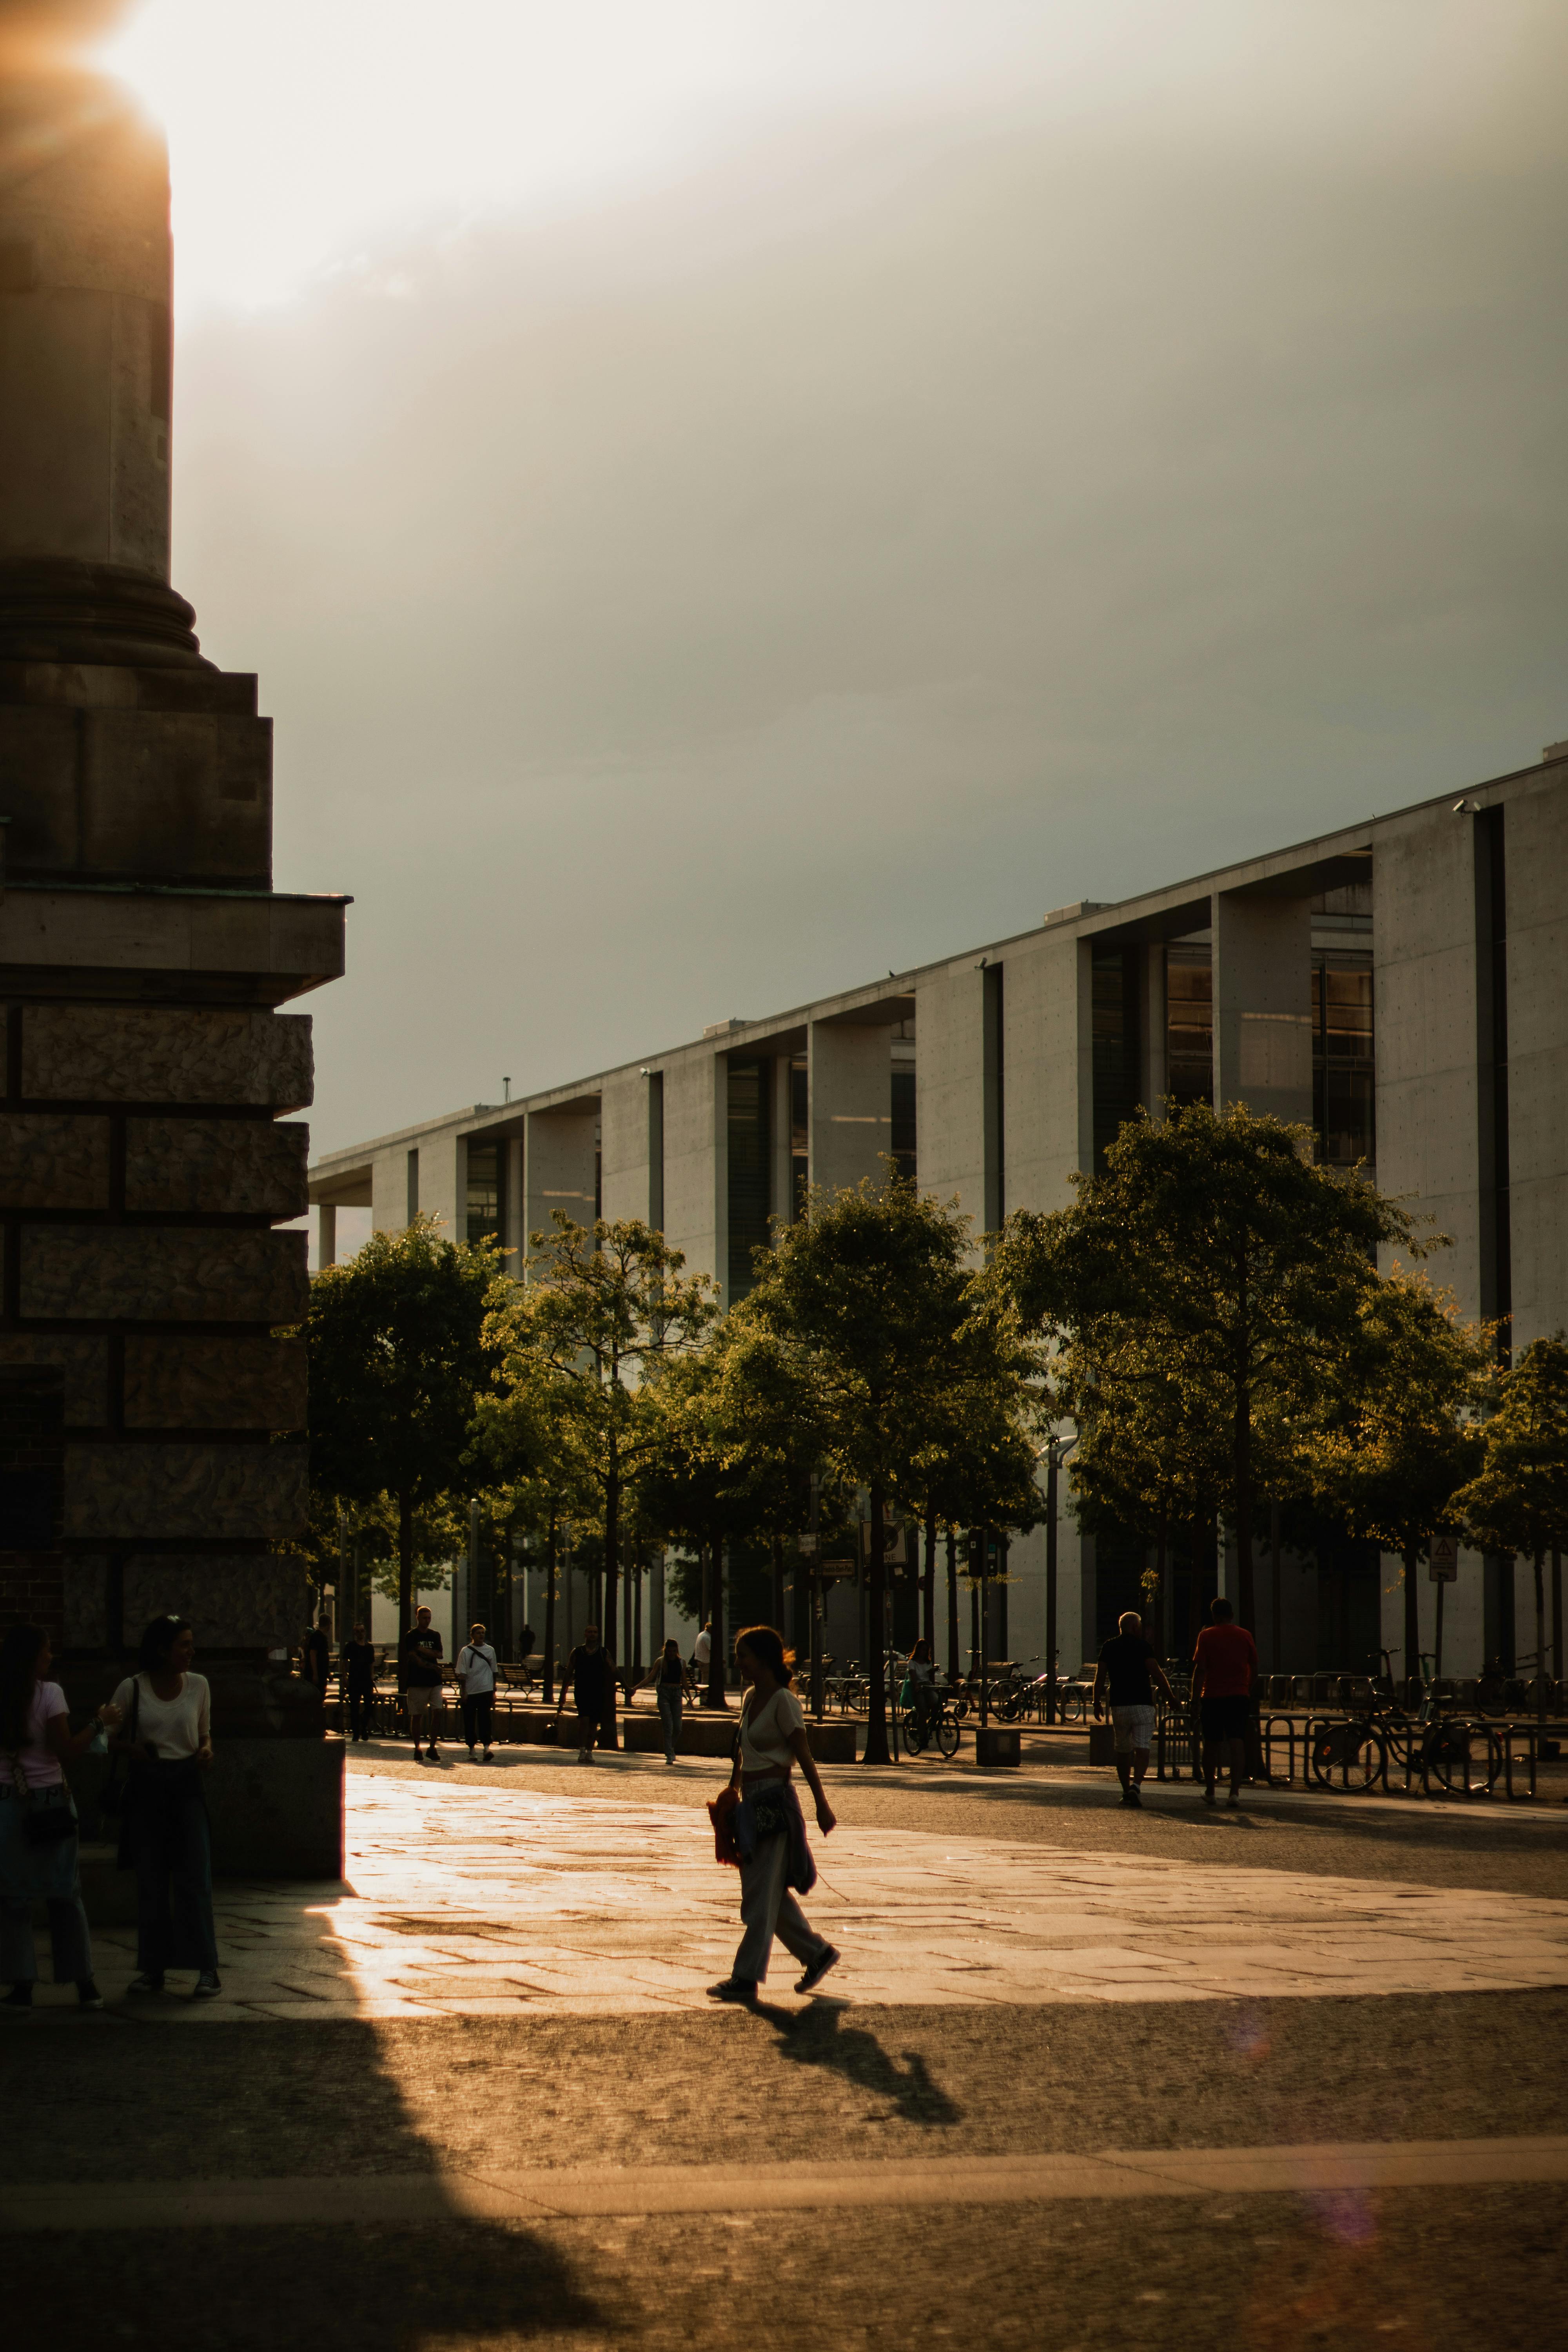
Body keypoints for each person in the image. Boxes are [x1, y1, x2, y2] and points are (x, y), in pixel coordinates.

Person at [707, 1625, 839, 2005]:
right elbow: (743, 1752)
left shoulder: (784, 1701)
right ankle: (817, 1954)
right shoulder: (750, 1697)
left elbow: (804, 1755)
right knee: (768, 1895)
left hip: (776, 1806)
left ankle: (745, 1977)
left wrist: (821, 1804)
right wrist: (731, 1792)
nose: (737, 1662)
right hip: (751, 1803)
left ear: (762, 1659)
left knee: (757, 1894)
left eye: (742, 1655)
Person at [1, 1622, 121, 2014]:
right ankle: (84, 1983)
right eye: (47, 1651)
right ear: (34, 1656)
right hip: (51, 1802)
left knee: (14, 1898)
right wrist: (99, 1722)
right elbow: (66, 1750)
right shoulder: (50, 1694)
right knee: (66, 1896)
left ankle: (22, 1987)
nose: (51, 1657)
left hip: (7, 1803)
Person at [109, 1615, 221, 1998]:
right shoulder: (132, 1689)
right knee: (152, 1883)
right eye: (184, 1645)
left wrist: (206, 1751)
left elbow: (205, 1735)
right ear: (162, 1650)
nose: (191, 1652)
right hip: (147, 1789)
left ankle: (207, 1968)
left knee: (195, 1880)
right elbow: (104, 1739)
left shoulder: (199, 1686)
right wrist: (134, 1750)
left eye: (191, 1644)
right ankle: (153, 1969)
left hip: (187, 1785)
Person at [1092, 1610, 1173, 1808]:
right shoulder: (1143, 1647)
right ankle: (1136, 1786)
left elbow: (1100, 1677)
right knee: (1142, 1747)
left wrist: (1097, 1702)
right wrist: (1171, 1698)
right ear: (1136, 1627)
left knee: (1123, 1749)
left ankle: (1125, 1789)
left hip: (1119, 1705)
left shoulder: (1109, 1646)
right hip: (1142, 1703)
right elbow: (1157, 1674)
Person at [1191, 1595, 1259, 1808]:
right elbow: (1255, 1666)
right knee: (1237, 1741)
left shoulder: (1206, 1636)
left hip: (1212, 1696)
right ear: (1232, 1615)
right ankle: (1235, 1793)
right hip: (1239, 1696)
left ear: (1214, 1616)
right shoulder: (1245, 1635)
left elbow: (1200, 1669)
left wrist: (1195, 1700)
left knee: (1211, 1744)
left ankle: (1211, 1791)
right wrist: (1247, 1687)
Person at [554, 1625, 611, 1763]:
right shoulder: (578, 1652)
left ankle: (590, 1752)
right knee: (585, 1720)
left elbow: (614, 1669)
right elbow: (569, 1672)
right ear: (585, 1634)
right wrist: (563, 1692)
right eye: (590, 1632)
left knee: (594, 1723)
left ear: (598, 1635)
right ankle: (582, 1750)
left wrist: (627, 1687)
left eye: (595, 1632)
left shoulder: (603, 1653)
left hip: (598, 1691)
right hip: (582, 1690)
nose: (593, 1634)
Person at [398, 1605, 445, 1763]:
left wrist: (422, 1650)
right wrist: (433, 1664)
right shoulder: (411, 1636)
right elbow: (414, 1658)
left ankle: (432, 1747)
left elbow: (440, 1654)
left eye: (429, 1618)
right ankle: (418, 1747)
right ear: (418, 1618)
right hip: (417, 1681)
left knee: (438, 1711)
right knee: (417, 1715)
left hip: (435, 1682)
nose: (427, 1621)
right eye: (425, 1618)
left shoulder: (435, 1635)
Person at [640, 1638, 695, 1765]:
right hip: (664, 1693)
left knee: (678, 1727)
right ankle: (669, 1754)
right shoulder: (660, 1662)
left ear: (677, 1650)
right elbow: (650, 1677)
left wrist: (690, 1698)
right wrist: (636, 1688)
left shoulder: (682, 1662)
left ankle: (670, 1748)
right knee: (668, 1726)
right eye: (670, 1651)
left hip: (677, 1694)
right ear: (666, 1650)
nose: (672, 1654)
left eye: (674, 1651)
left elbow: (684, 1682)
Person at [456, 1621, 499, 1762]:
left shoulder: (490, 1650)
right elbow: (462, 1673)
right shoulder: (466, 1651)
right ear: (472, 1635)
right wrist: (464, 1691)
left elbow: (494, 1671)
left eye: (483, 1633)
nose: (481, 1635)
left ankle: (486, 1748)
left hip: (485, 1689)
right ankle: (472, 1749)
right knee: (469, 1720)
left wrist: (494, 1690)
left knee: (485, 1719)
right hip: (471, 1690)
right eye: (478, 1633)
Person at [341, 1621, 377, 1743]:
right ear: (354, 1633)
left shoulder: (369, 1648)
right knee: (355, 1707)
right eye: (357, 1631)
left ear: (365, 1632)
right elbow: (345, 1662)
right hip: (355, 1680)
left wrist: (372, 1677)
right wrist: (345, 1677)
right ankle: (357, 1733)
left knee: (369, 1706)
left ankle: (364, 1726)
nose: (360, 1633)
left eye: (362, 1631)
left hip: (367, 1680)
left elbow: (372, 1663)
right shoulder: (350, 1647)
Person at [905, 1637, 938, 1740]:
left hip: (927, 1685)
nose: (924, 1652)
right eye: (922, 1650)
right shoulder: (912, 1662)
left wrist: (932, 1672)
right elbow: (913, 1674)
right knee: (923, 1712)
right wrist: (916, 1686)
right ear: (918, 1650)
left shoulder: (928, 1662)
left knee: (937, 1703)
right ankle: (921, 1736)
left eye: (926, 1650)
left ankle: (932, 1725)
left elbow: (928, 1675)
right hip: (918, 1687)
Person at [301, 1614, 331, 1703]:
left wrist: (328, 1673)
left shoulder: (321, 1637)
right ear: (328, 1624)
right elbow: (313, 1654)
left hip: (321, 1673)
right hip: (318, 1674)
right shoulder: (318, 1637)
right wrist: (315, 1674)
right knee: (316, 1698)